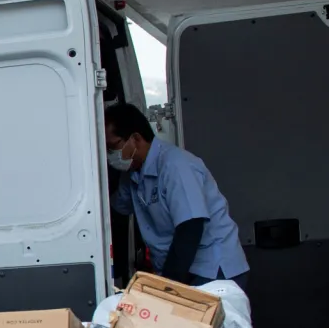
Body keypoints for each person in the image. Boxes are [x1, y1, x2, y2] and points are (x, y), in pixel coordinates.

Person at [103, 104, 249, 290]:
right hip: (181, 269)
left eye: (113, 147)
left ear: (136, 138)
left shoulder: (176, 166)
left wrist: (169, 285)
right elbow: (116, 209)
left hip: (211, 270)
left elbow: (190, 227)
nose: (110, 155)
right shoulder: (132, 174)